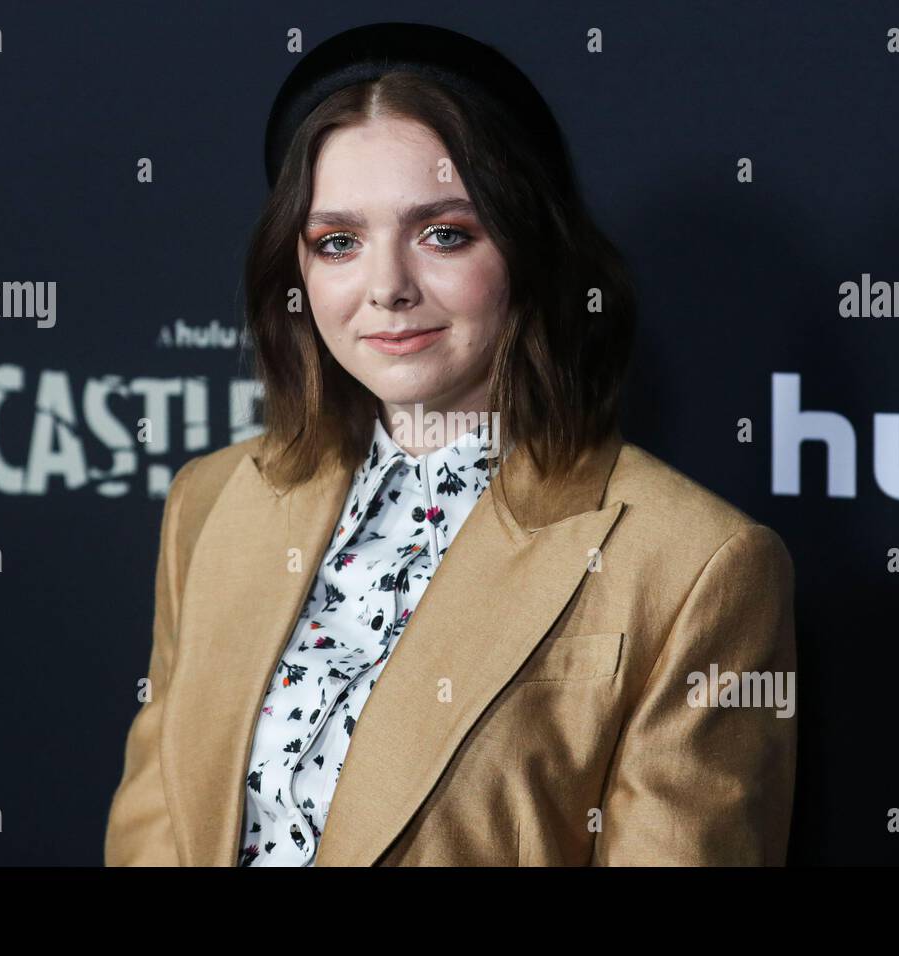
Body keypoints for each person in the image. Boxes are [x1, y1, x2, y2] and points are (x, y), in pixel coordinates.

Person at [104, 21, 796, 867]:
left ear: (527, 249)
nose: (388, 287)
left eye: (444, 234)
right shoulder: (211, 501)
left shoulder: (698, 566)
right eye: (339, 242)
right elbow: (156, 831)